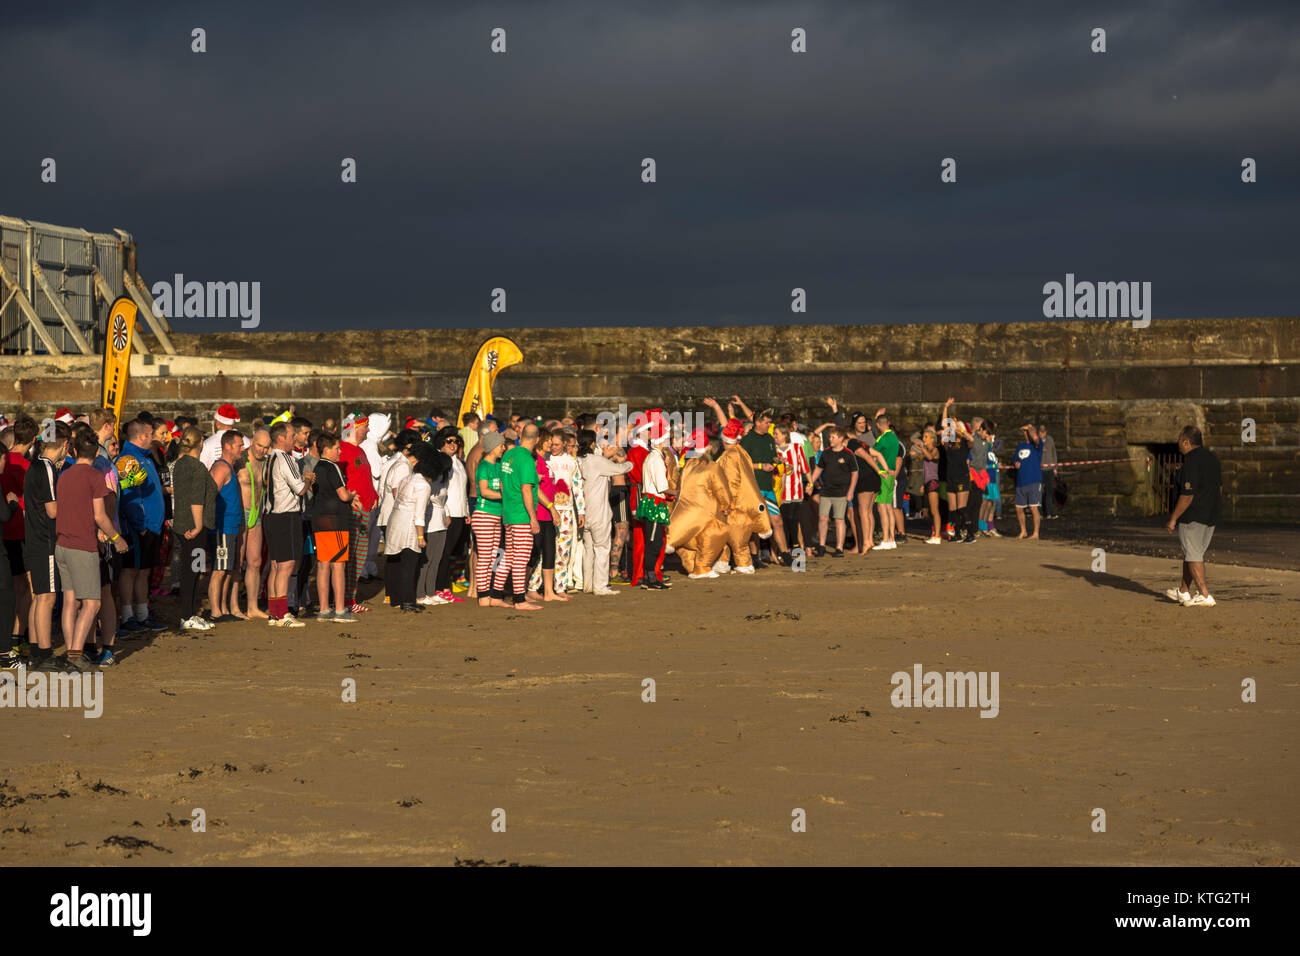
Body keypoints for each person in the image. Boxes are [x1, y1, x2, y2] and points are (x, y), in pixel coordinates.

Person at [56, 426, 128, 671]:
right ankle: (75, 656)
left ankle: (72, 651)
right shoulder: (95, 477)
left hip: (62, 544)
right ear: (97, 453)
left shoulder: (64, 475)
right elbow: (100, 515)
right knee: (92, 603)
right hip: (82, 545)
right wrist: (116, 537)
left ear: (73, 451)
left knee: (69, 601)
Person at [18, 422, 69, 670]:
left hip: (35, 539)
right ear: (65, 445)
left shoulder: (35, 465)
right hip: (45, 540)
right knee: (47, 597)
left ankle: (38, 651)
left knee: (39, 596)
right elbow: (53, 510)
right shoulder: (46, 467)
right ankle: (44, 652)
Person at [116, 418, 167, 632]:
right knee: (130, 571)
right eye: (150, 433)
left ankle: (142, 613)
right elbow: (129, 495)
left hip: (151, 525)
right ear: (142, 436)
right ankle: (128, 615)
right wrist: (140, 524)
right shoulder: (129, 459)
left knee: (144, 570)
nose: (153, 437)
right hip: (138, 527)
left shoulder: (144, 457)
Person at [1165, 425, 1221, 607]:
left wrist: (1173, 519)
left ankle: (1205, 595)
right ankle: (1183, 591)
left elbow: (1187, 495)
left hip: (1193, 516)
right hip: (1211, 514)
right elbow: (1219, 488)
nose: (1178, 445)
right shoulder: (1213, 459)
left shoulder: (1190, 463)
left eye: (1180, 441)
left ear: (1187, 442)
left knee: (1194, 554)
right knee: (1192, 553)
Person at [264, 421, 313, 627]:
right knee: (286, 566)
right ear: (281, 438)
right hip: (285, 515)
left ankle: (275, 613)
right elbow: (301, 488)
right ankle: (283, 613)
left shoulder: (269, 458)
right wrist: (309, 478)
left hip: (272, 516)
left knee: (276, 566)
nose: (295, 439)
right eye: (292, 436)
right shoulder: (284, 458)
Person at [171, 426, 217, 632]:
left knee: (191, 569)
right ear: (200, 443)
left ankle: (189, 613)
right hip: (195, 527)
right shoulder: (197, 467)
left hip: (182, 523)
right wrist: (198, 525)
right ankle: (187, 614)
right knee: (194, 570)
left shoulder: (180, 464)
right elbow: (196, 499)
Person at [493, 423, 542, 610]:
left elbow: (503, 485)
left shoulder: (508, 454)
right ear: (537, 440)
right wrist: (533, 517)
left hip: (508, 512)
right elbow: (526, 489)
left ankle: (496, 595)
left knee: (508, 557)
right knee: (521, 558)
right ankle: (519, 599)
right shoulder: (527, 459)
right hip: (521, 513)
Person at [577, 429, 631, 596]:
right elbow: (621, 468)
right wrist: (629, 461)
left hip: (582, 510)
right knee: (602, 548)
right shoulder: (596, 461)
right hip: (598, 511)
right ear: (593, 444)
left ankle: (587, 585)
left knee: (588, 549)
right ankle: (600, 586)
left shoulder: (578, 460)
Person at [310, 433, 356, 621]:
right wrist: (353, 495)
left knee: (323, 565)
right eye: (336, 448)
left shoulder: (317, 467)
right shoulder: (332, 467)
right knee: (338, 566)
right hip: (335, 521)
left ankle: (323, 609)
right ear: (327, 449)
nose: (339, 451)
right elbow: (343, 496)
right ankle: (338, 610)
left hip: (319, 519)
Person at [2, 417, 37, 657]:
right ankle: (22, 637)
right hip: (22, 531)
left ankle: (13, 636)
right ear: (33, 440)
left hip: (5, 534)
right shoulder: (24, 466)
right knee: (32, 590)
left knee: (13, 588)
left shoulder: (8, 461)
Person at [384, 442, 430, 613]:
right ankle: (408, 601)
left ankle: (395, 598)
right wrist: (420, 537)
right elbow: (419, 514)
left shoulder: (406, 478)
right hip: (409, 525)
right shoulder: (423, 485)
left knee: (395, 560)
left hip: (395, 520)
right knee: (409, 564)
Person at [339, 413, 377, 614]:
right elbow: (340, 480)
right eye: (365, 426)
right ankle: (344, 599)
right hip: (353, 512)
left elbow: (365, 477)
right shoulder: (343, 450)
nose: (368, 430)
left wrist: (374, 493)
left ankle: (350, 598)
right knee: (350, 556)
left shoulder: (359, 450)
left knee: (359, 557)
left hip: (365, 510)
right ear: (353, 428)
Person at [207, 430, 246, 621]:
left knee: (227, 569)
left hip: (230, 525)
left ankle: (222, 608)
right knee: (219, 569)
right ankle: (215, 611)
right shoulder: (221, 468)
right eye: (239, 445)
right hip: (222, 525)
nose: (242, 448)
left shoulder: (229, 467)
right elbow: (209, 495)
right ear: (228, 446)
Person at [470, 431, 507, 608]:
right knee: (485, 557)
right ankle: (482, 594)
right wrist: (504, 495)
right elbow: (483, 491)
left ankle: (491, 592)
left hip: (497, 515)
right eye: (501, 445)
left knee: (494, 556)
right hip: (484, 515)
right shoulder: (483, 466)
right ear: (493, 447)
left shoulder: (500, 464)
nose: (504, 448)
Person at [239, 428, 271, 618]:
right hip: (241, 514)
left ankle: (252, 607)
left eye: (266, 447)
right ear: (251, 441)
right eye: (259, 445)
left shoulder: (265, 462)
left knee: (255, 562)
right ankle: (233, 606)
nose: (262, 450)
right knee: (236, 564)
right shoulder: (240, 460)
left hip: (257, 513)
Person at [809, 428, 855, 556]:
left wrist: (851, 491)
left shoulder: (848, 454)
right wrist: (811, 482)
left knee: (839, 519)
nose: (830, 439)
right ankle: (822, 546)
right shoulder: (826, 453)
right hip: (826, 491)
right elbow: (818, 469)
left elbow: (855, 473)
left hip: (841, 492)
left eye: (833, 437)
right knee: (823, 518)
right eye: (830, 437)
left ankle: (839, 548)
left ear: (841, 438)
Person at [1013, 424, 1044, 540]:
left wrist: (1030, 428)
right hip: (1021, 482)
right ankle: (1023, 531)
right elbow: (1015, 459)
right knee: (1019, 508)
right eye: (1025, 432)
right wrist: (1016, 463)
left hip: (1034, 481)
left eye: (1028, 432)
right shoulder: (1020, 446)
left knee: (1033, 507)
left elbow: (1035, 438)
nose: (1026, 433)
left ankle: (1036, 533)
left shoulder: (1037, 445)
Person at [1039, 423, 1058, 518]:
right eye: (1040, 432)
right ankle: (1041, 513)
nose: (1042, 434)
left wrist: (1055, 467)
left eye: (1043, 432)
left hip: (1050, 469)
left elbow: (1054, 453)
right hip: (1040, 470)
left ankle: (1050, 512)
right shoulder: (1036, 441)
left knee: (1049, 492)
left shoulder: (1050, 440)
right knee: (1040, 492)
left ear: (1045, 432)